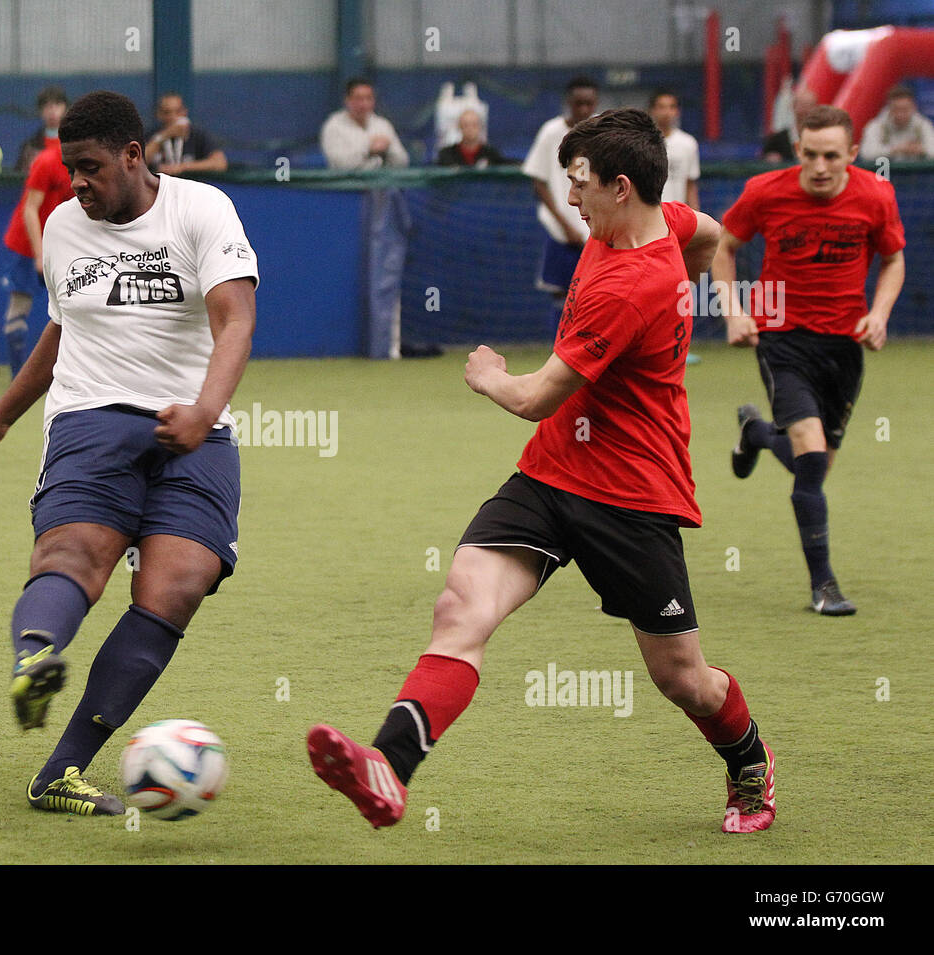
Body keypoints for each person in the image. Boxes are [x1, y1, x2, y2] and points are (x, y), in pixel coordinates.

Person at [308, 107, 778, 836]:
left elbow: (531, 397)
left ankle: (748, 759)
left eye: (580, 183)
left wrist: (488, 371)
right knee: (460, 607)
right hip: (553, 474)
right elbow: (711, 234)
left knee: (682, 677)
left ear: (621, 187)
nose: (570, 196)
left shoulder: (630, 284)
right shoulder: (663, 221)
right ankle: (389, 767)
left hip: (631, 495)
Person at [0, 90, 258, 817]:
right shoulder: (62, 226)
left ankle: (60, 771)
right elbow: (58, 334)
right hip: (90, 418)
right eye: (66, 169)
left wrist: (205, 411)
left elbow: (235, 318)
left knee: (177, 584)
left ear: (133, 155)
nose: (75, 183)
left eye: (88, 167)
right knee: (77, 554)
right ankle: (34, 659)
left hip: (192, 428)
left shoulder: (200, 211)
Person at [713, 105, 905, 615]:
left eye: (832, 157)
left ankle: (755, 433)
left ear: (853, 155)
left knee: (813, 467)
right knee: (812, 459)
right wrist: (733, 311)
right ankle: (824, 587)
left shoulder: (876, 194)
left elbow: (892, 259)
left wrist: (880, 314)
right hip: (783, 338)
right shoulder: (765, 192)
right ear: (798, 150)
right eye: (812, 155)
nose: (821, 167)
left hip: (844, 347)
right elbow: (723, 247)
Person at [0, 140, 75, 375]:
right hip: (26, 246)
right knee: (19, 309)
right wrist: (39, 253)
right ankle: (17, 378)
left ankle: (68, 373)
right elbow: (30, 208)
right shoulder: (47, 161)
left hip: (65, 246)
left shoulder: (87, 164)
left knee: (72, 310)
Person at [522, 76, 598, 298]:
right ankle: (560, 334)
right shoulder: (550, 132)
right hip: (560, 232)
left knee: (595, 294)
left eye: (589, 104)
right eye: (578, 103)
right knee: (561, 295)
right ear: (568, 102)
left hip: (596, 232)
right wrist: (564, 225)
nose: (583, 109)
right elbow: (539, 180)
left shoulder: (603, 132)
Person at [321, 77, 409, 170]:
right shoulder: (334, 126)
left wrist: (388, 149)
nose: (364, 104)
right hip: (347, 183)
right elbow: (340, 164)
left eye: (369, 98)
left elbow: (403, 162)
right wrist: (369, 150)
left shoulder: (383, 124)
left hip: (380, 183)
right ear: (347, 100)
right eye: (358, 98)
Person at [144, 91, 228, 176]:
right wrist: (164, 136)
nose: (173, 117)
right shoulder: (151, 135)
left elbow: (220, 163)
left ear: (185, 112)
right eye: (167, 112)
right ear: (159, 114)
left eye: (178, 111)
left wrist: (183, 167)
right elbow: (139, 162)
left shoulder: (197, 135)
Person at [648, 88, 700, 209]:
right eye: (661, 107)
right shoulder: (641, 143)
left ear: (677, 111)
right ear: (652, 110)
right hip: (651, 214)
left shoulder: (688, 143)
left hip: (678, 214)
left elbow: (690, 185)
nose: (667, 112)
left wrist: (695, 215)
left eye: (671, 107)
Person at [860, 86, 934, 164]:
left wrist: (921, 150)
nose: (900, 114)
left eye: (905, 109)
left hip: (917, 175)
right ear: (889, 108)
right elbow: (866, 153)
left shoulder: (923, 125)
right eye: (896, 109)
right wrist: (894, 150)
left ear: (913, 108)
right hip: (884, 174)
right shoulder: (876, 126)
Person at [15, 85, 69, 174]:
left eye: (57, 105)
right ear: (40, 111)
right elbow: (20, 179)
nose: (52, 110)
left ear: (66, 108)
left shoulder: (77, 145)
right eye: (47, 106)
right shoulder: (30, 147)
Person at [436, 109, 512, 167]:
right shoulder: (447, 155)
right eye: (466, 125)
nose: (470, 129)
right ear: (459, 127)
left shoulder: (491, 154)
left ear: (480, 127)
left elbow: (508, 165)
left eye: (474, 125)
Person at [761, 87, 816, 163]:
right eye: (802, 105)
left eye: (809, 105)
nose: (806, 110)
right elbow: (762, 159)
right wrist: (770, 158)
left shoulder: (822, 137)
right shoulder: (778, 139)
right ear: (793, 106)